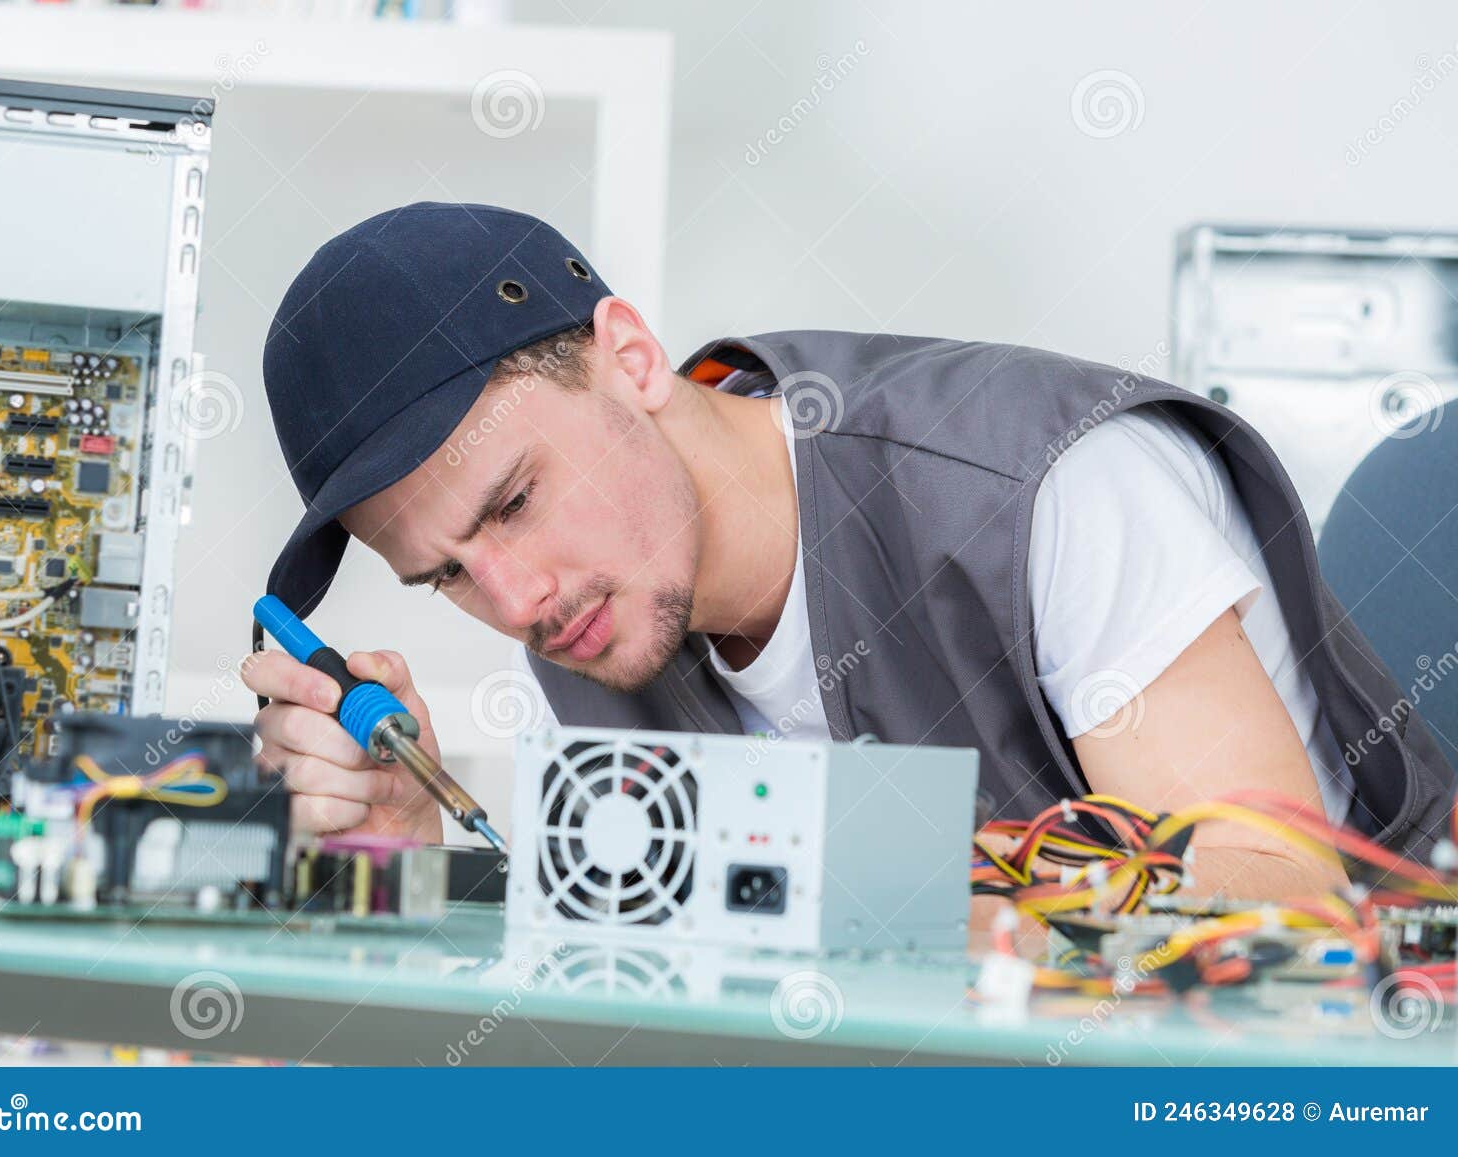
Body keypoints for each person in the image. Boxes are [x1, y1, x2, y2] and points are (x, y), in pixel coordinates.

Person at [242, 202, 1455, 908]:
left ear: (629, 357)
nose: (512, 599)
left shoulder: (1048, 482)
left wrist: (891, 923)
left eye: (510, 502)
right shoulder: (597, 611)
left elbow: (1275, 896)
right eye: (444, 573)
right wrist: (410, 865)